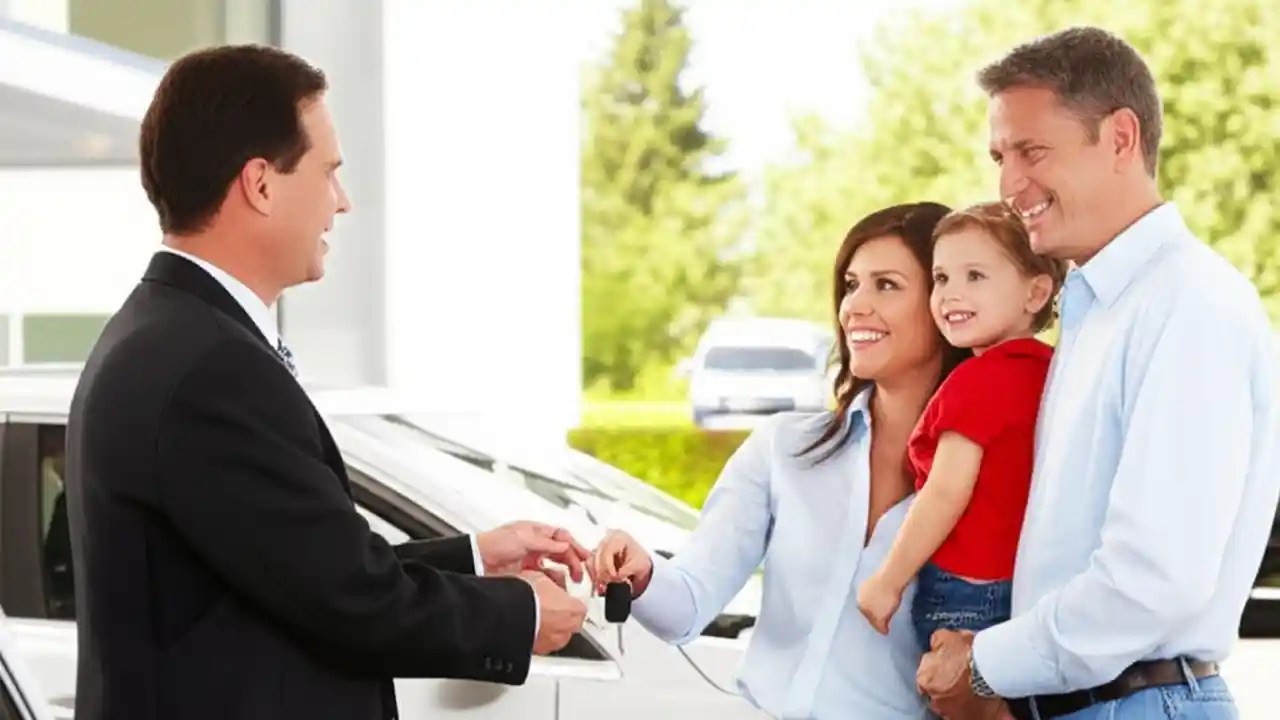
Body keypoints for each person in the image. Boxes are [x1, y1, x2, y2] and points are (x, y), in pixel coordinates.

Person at [64, 45, 589, 720]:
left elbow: (299, 566)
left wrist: (475, 557)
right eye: (328, 172)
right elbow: (350, 600)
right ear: (260, 184)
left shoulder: (169, 333)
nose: (341, 203)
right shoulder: (208, 365)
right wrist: (518, 613)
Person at [916, 27, 1280, 720]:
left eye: (1032, 151)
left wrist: (983, 663)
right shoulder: (1100, 310)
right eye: (999, 157)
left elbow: (1150, 583)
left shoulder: (1188, 304)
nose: (1008, 185)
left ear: (1120, 138)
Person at [590, 201, 971, 719]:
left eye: (886, 285)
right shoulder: (784, 449)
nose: (855, 306)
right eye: (851, 285)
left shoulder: (994, 474)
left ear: (946, 303)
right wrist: (643, 574)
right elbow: (687, 606)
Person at [857, 203, 1065, 718]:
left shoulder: (977, 381)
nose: (951, 294)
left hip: (965, 594)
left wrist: (887, 580)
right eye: (942, 278)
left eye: (975, 276)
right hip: (1029, 591)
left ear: (1036, 292)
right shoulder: (1055, 374)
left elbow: (946, 492)